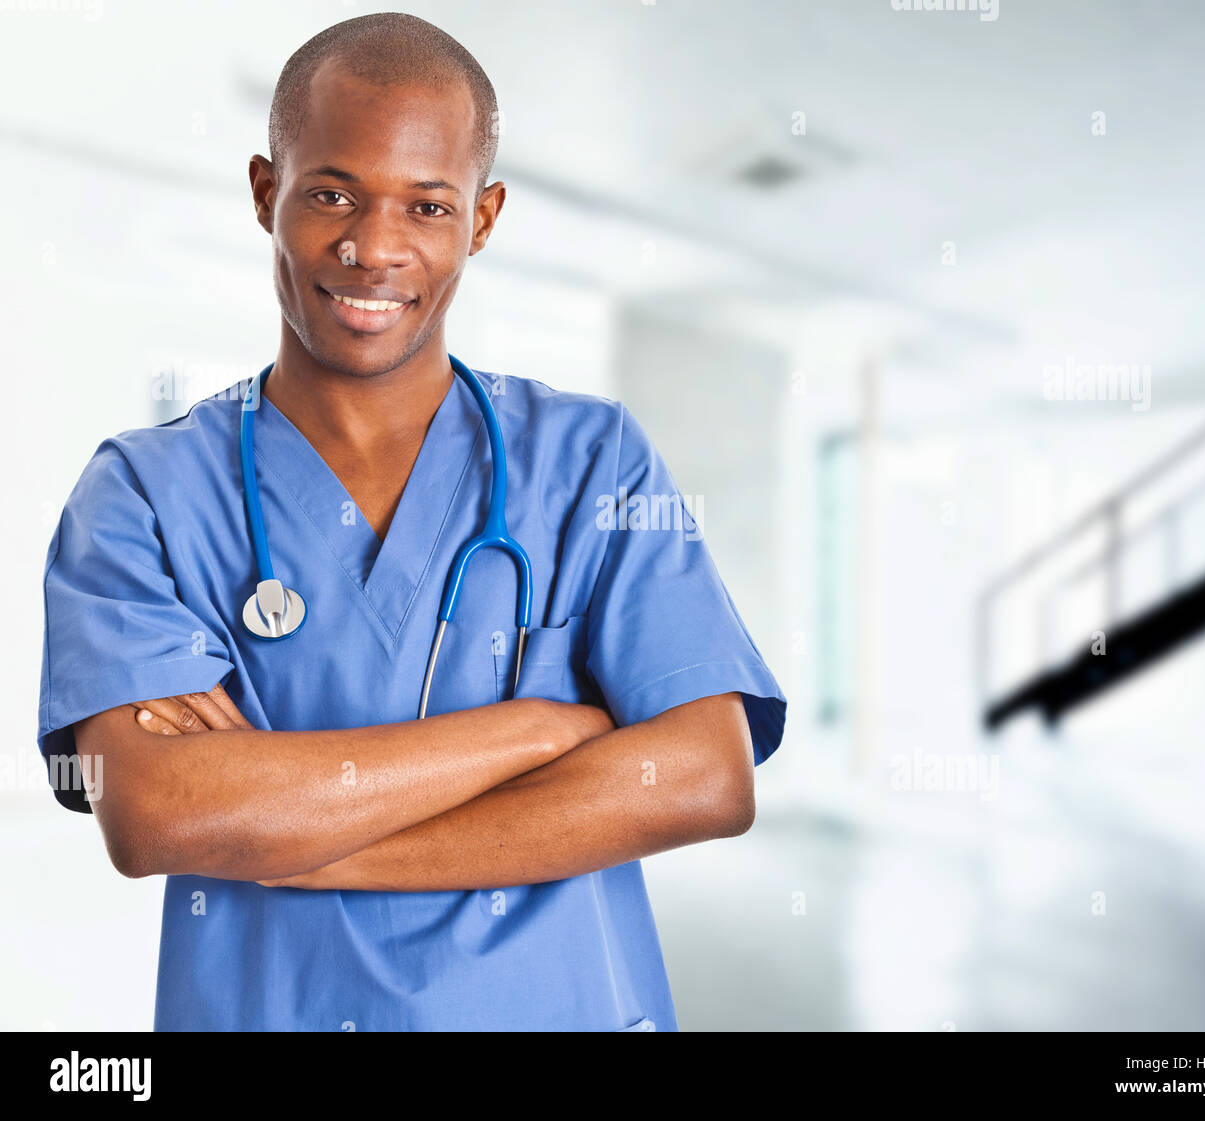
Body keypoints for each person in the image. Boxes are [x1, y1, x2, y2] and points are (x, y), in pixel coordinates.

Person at [36, 12, 786, 1032]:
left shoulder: (591, 460)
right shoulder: (140, 492)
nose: (373, 247)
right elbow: (159, 810)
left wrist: (288, 833)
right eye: (331, 192)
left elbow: (704, 773)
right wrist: (539, 729)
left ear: (482, 218)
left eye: (427, 206)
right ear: (267, 193)